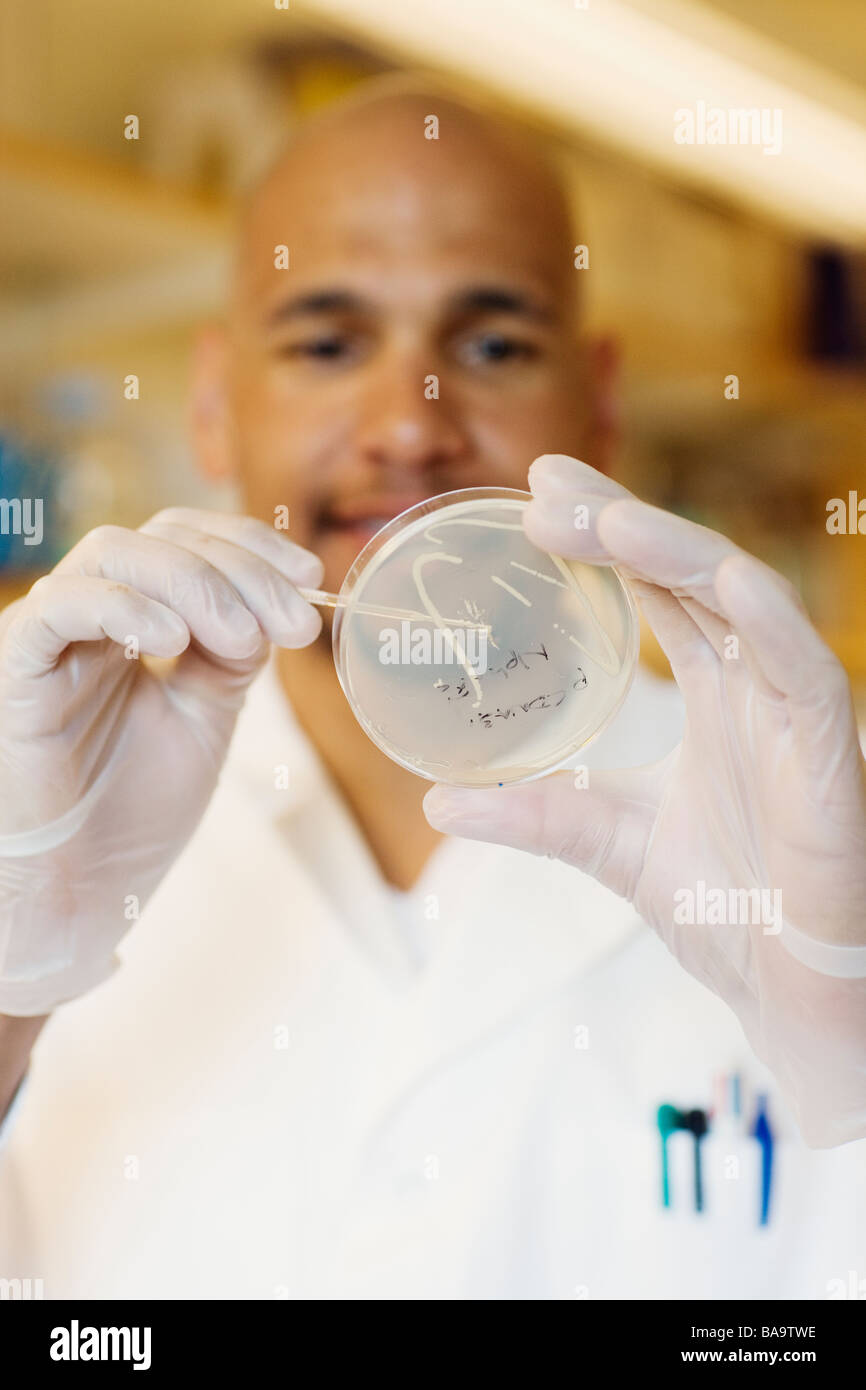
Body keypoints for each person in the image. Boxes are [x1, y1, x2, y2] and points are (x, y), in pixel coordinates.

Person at [0, 79, 864, 1301]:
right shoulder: (37, 806)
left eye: (492, 344)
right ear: (211, 402)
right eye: (326, 343)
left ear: (599, 401)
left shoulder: (799, 825)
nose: (408, 429)